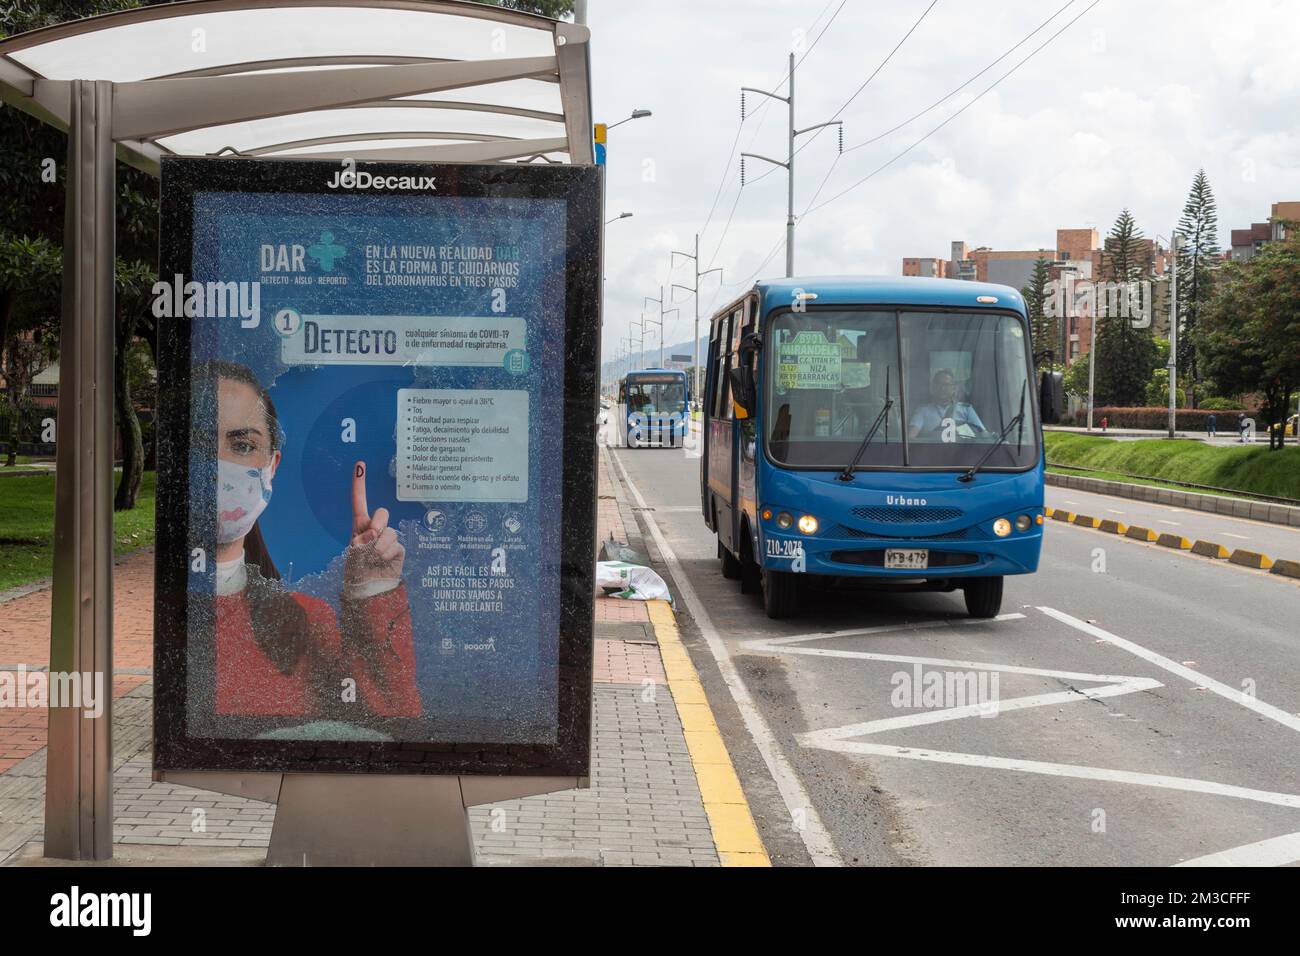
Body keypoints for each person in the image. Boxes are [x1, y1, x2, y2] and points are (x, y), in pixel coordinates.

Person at [203, 360, 421, 721]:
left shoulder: (304, 623)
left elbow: (392, 727)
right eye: (200, 443)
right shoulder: (160, 614)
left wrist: (373, 596)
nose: (218, 464)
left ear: (272, 466)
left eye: (242, 445)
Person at [908, 368, 986, 439]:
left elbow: (984, 435)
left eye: (946, 385)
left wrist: (961, 430)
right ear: (933, 387)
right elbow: (911, 437)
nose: (942, 388)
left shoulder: (966, 410)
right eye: (938, 384)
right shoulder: (922, 411)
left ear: (953, 388)